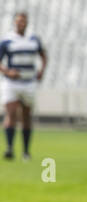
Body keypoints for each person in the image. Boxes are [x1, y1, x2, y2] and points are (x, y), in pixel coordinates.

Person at [0, 10, 46, 162]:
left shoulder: (34, 39)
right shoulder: (7, 40)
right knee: (11, 113)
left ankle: (26, 152)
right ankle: (9, 148)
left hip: (29, 82)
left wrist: (41, 71)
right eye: (19, 21)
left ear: (26, 22)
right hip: (12, 83)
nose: (21, 23)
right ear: (15, 22)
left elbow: (44, 55)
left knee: (26, 116)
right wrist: (7, 71)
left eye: (23, 21)